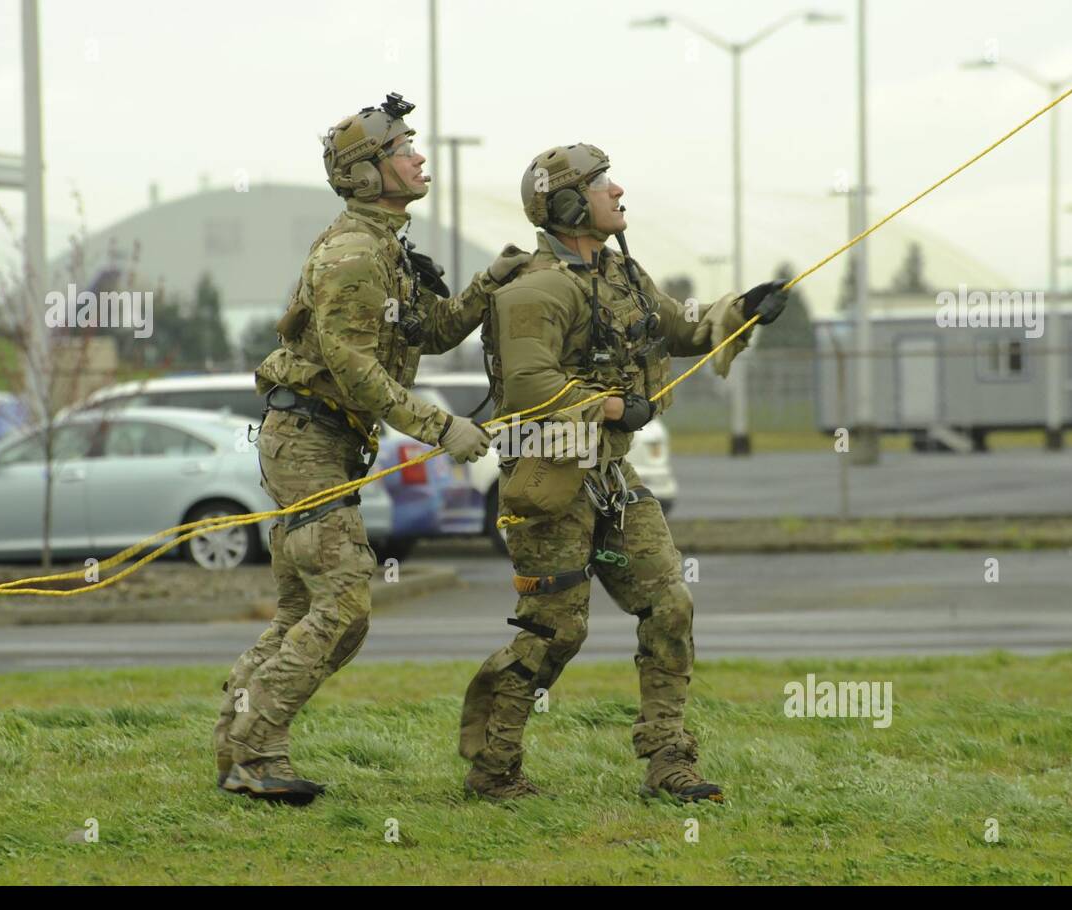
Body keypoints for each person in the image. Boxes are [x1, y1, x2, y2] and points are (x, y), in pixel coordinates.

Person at [214, 93, 529, 803]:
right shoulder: (355, 255)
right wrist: (443, 428)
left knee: (308, 613)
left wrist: (488, 285)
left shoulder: (387, 250)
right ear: (365, 174)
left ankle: (236, 740)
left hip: (321, 443)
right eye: (403, 149)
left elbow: (430, 332)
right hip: (309, 442)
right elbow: (355, 367)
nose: (418, 156)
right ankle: (257, 753)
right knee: (346, 604)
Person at [458, 143, 788, 802]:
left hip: (612, 476)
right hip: (549, 479)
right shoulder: (535, 288)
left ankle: (669, 761)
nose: (618, 191)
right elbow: (528, 385)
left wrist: (740, 309)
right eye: (602, 183)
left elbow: (682, 326)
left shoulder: (621, 277)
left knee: (669, 603)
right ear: (570, 203)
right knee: (556, 630)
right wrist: (609, 404)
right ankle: (493, 768)